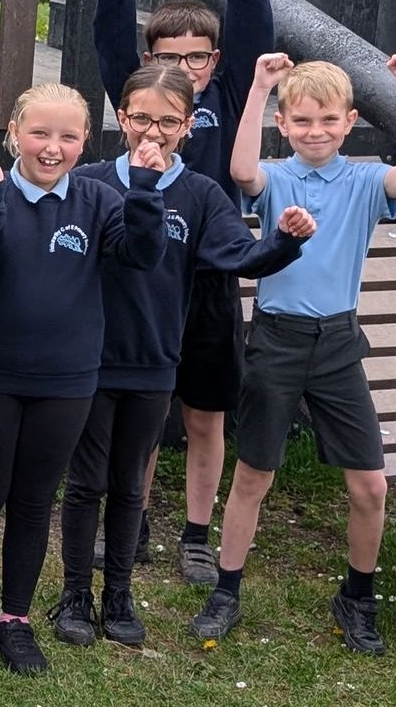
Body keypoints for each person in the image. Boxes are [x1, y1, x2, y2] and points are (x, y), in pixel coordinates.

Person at [52, 65, 313, 648]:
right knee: (85, 481)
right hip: (87, 361)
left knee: (128, 484)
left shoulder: (200, 194)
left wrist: (286, 240)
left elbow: (241, 257)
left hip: (153, 362)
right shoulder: (91, 181)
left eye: (169, 120)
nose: (154, 130)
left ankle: (118, 596)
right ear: (120, 117)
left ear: (189, 126)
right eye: (141, 117)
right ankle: (74, 594)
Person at [0, 84, 166, 674]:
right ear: (13, 133)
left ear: (86, 144)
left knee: (34, 503)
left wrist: (144, 193)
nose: (51, 148)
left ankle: (15, 619)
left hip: (67, 381)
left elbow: (140, 255)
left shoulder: (99, 201)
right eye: (40, 133)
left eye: (67, 136)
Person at [204, 53, 396, 652]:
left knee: (371, 486)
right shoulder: (276, 177)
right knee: (254, 473)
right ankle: (226, 589)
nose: (316, 131)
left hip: (337, 344)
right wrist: (258, 88)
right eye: (303, 121)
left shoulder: (364, 181)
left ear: (350, 121)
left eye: (329, 121)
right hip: (276, 340)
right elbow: (240, 169)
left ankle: (357, 596)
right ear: (284, 124)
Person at [94, 0, 274, 586]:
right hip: (139, 277)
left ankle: (197, 532)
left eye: (198, 57)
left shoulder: (221, 101)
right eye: (170, 56)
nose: (185, 68)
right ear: (148, 63)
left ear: (215, 62)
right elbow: (111, 38)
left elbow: (256, 28)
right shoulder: (138, 98)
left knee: (204, 415)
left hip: (206, 284)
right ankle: (130, 515)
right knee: (139, 412)